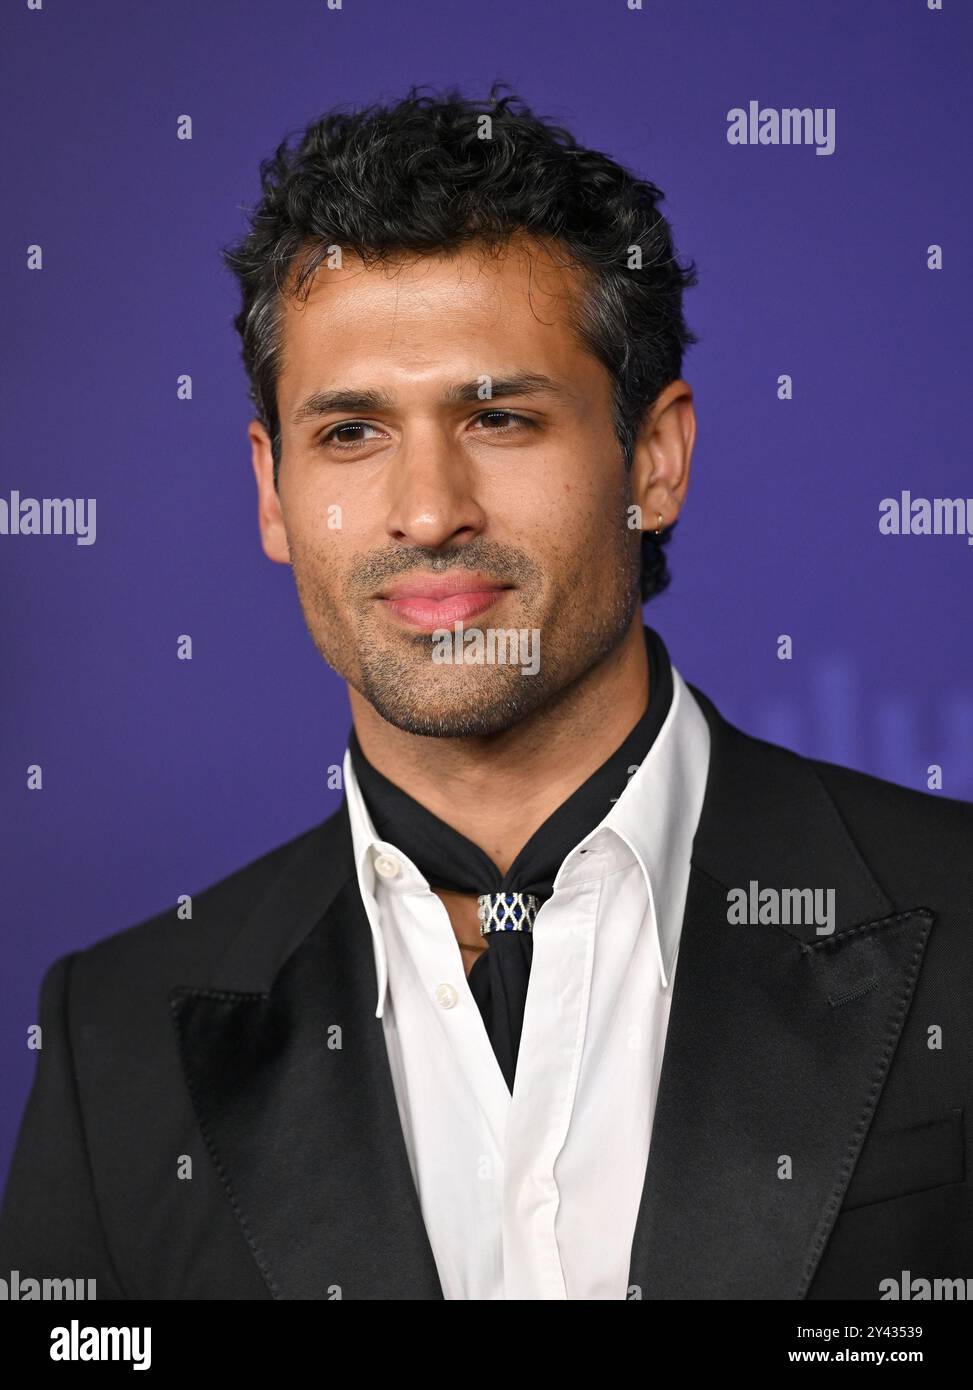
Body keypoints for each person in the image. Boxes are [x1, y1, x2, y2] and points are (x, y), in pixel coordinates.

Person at [2, 84, 971, 1301]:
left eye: (499, 416)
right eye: (351, 434)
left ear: (653, 460)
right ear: (271, 491)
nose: (426, 508)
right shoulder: (114, 1035)